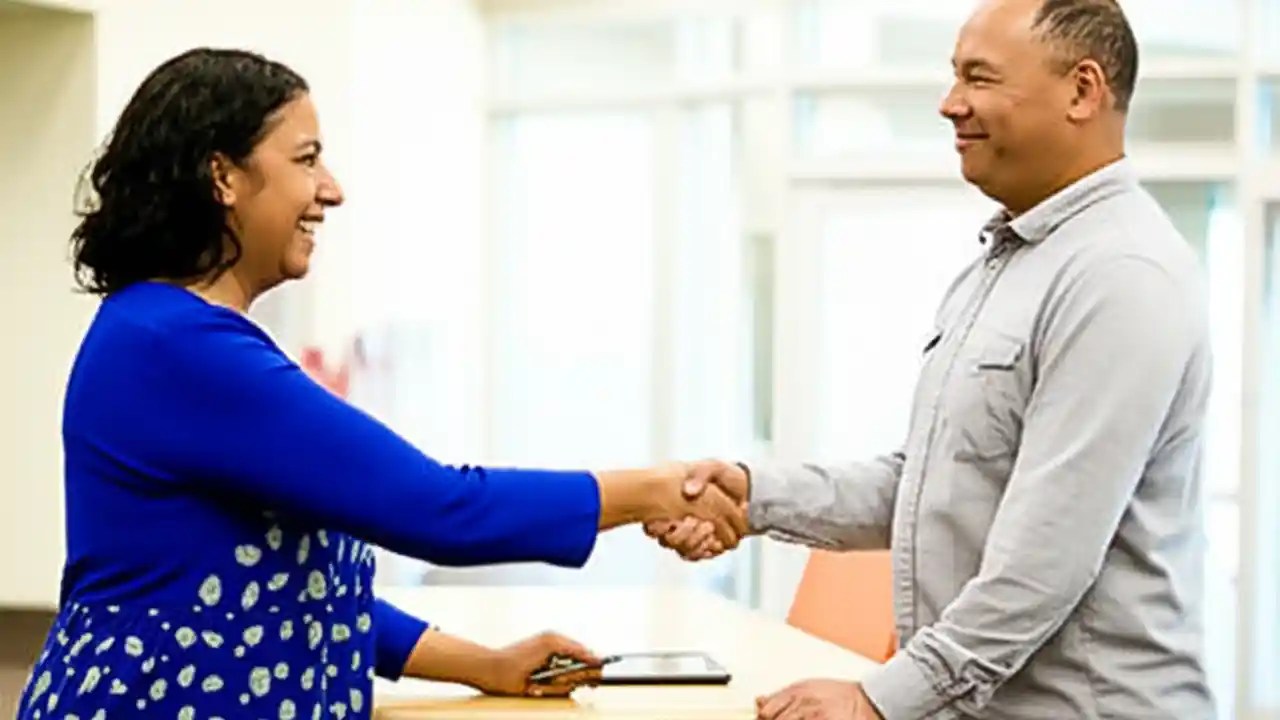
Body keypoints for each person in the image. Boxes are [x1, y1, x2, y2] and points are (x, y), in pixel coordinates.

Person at [17, 47, 745, 720]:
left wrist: (485, 665)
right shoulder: (177, 347)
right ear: (224, 178)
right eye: (307, 159)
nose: (330, 190)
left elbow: (294, 585)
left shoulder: (172, 334)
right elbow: (437, 506)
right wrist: (656, 487)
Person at [650, 1, 1217, 718]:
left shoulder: (1121, 275)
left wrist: (878, 699)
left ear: (1082, 90)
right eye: (954, 77)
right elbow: (926, 484)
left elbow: (1047, 558)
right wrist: (751, 494)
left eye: (978, 79)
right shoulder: (1010, 263)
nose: (951, 105)